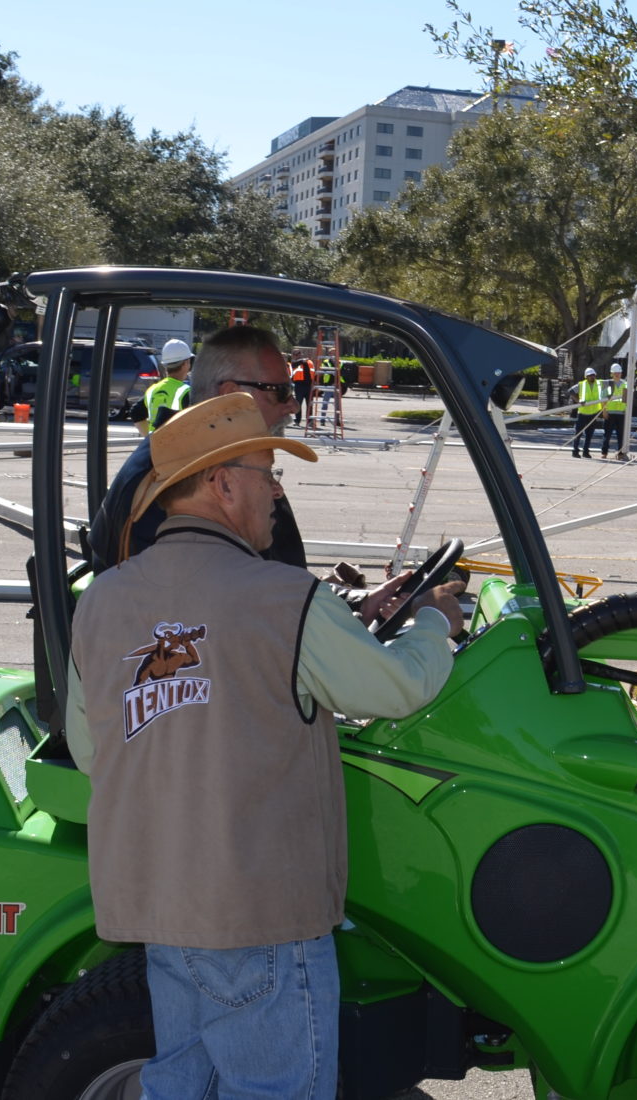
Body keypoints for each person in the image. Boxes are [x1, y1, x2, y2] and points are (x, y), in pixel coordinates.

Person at [70, 393, 458, 1100]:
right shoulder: (285, 596)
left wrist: (352, 623)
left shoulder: (101, 601)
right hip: (261, 914)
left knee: (185, 1086)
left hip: (162, 909)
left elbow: (94, 746)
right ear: (222, 483)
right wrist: (432, 622)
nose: (278, 490)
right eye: (269, 472)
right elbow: (398, 688)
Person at [90, 325, 308, 572]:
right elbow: (221, 600)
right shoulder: (181, 481)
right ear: (232, 395)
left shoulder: (193, 455)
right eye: (280, 391)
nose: (293, 406)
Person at [141, 338, 194, 432]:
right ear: (185, 363)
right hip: (174, 445)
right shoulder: (186, 392)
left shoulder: (152, 390)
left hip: (154, 445)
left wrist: (148, 439)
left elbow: (135, 413)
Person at [570, 366, 603, 457]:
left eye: (593, 375)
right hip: (583, 413)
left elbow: (609, 388)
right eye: (590, 375)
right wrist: (578, 401)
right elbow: (571, 391)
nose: (592, 377)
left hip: (593, 413)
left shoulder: (599, 384)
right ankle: (575, 451)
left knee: (589, 434)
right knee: (578, 433)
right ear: (586, 376)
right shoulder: (581, 384)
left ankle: (586, 451)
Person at [598, 362, 627, 459]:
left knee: (621, 435)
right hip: (609, 413)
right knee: (607, 434)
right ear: (611, 374)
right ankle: (604, 452)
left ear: (621, 373)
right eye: (615, 373)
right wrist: (604, 411)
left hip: (621, 414)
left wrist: (626, 412)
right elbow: (603, 398)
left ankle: (620, 453)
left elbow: (626, 400)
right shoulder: (607, 383)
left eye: (618, 373)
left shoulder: (625, 384)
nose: (617, 374)